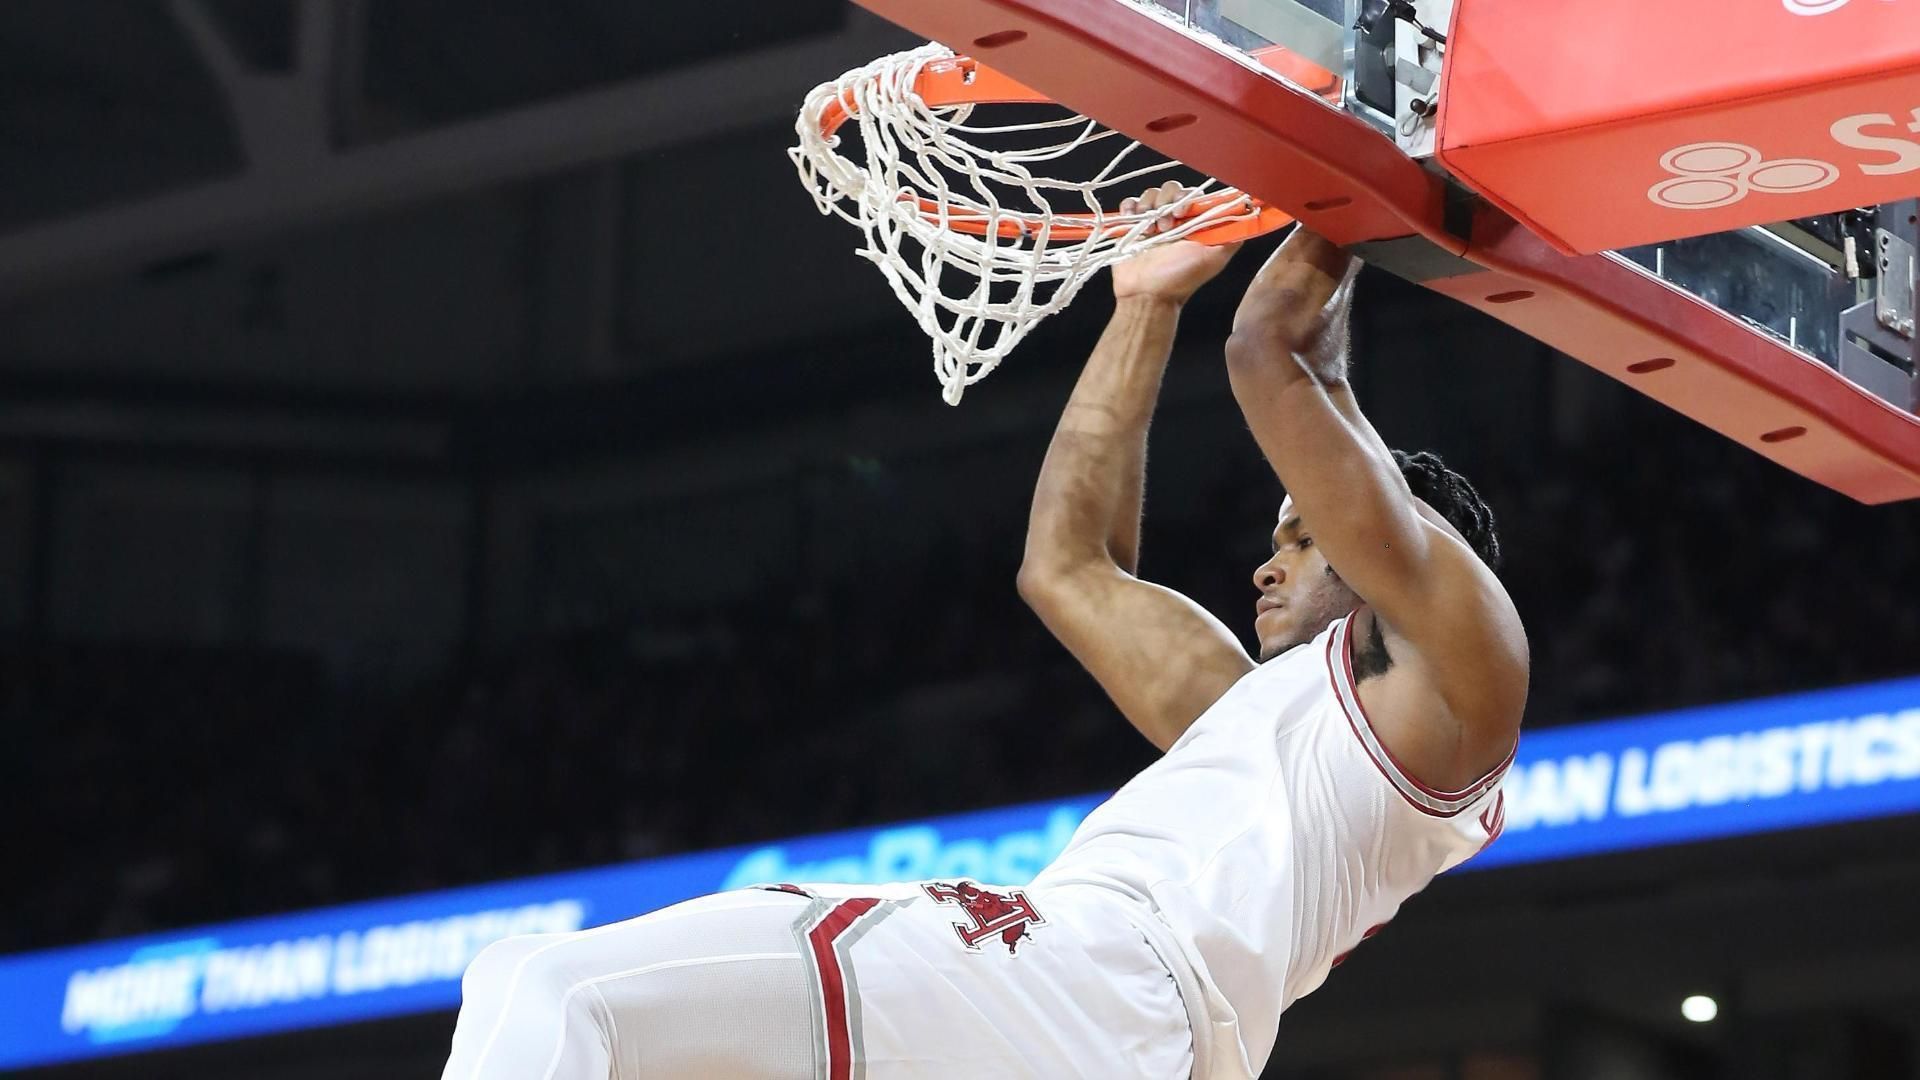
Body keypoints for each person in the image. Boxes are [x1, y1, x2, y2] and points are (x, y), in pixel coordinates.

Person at [438, 184, 1526, 1080]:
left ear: (1400, 546)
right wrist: (1142, 305)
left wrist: (1352, 168)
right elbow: (1067, 568)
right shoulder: (1267, 720)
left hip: (1097, 985)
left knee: (544, 987)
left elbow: (1277, 349)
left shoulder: (1463, 686)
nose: (1267, 561)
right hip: (1116, 1034)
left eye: (1301, 536)